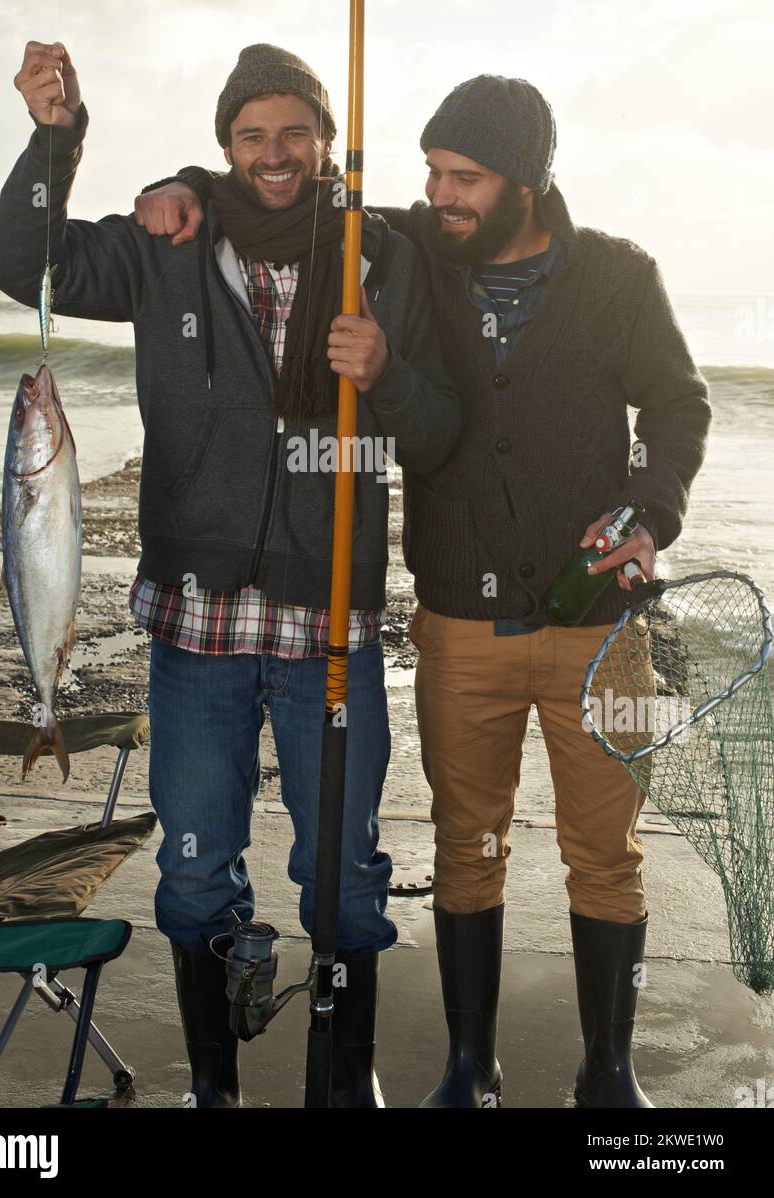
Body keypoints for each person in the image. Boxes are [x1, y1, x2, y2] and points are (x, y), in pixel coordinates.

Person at [133, 72, 712, 1109]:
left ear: (525, 184)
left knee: (606, 851)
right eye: (433, 171)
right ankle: (465, 1065)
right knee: (466, 844)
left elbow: (679, 406)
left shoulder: (623, 276)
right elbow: (279, 187)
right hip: (457, 618)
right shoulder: (410, 252)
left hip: (606, 629)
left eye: (464, 176)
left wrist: (649, 515)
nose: (439, 192)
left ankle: (610, 1073)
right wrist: (180, 180)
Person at [0, 40, 460, 1109]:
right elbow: (28, 266)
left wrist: (384, 373)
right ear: (225, 147)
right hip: (195, 621)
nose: (275, 151)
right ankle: (215, 1088)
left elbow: (436, 437)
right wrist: (55, 138)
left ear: (328, 140)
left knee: (343, 880)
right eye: (250, 135)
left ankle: (343, 1081)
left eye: (296, 130)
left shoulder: (383, 257)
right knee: (196, 872)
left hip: (328, 624)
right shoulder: (172, 241)